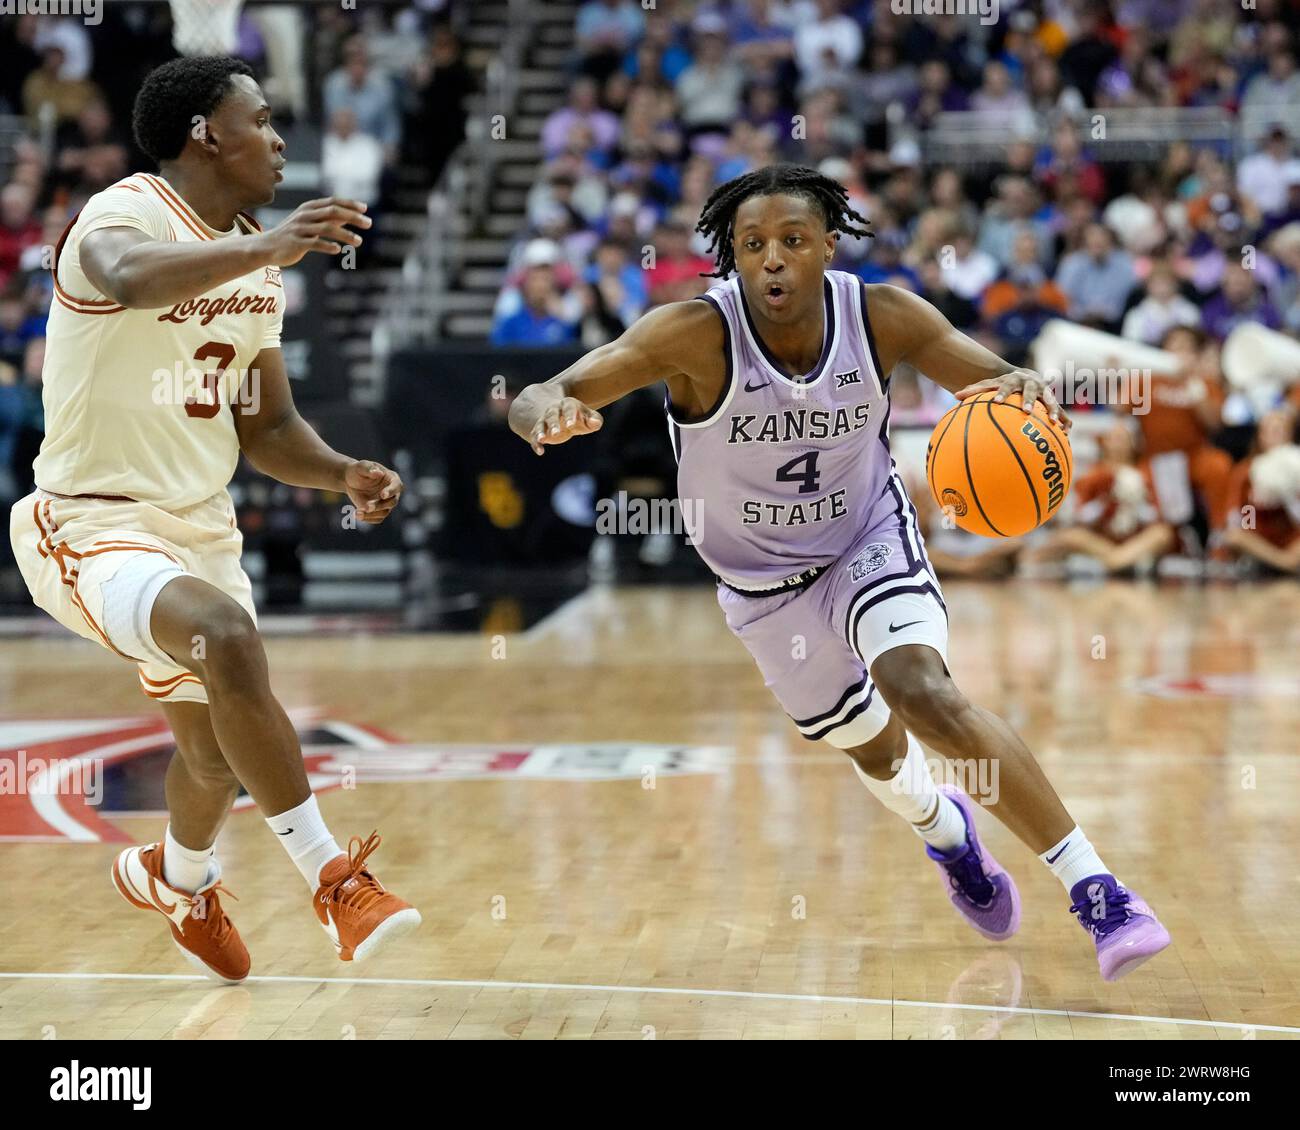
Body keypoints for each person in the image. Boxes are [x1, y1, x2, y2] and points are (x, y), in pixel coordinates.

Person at [508, 164, 1170, 982]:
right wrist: (546, 410)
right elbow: (548, 389)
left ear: (828, 245)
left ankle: (1100, 891)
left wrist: (1021, 385)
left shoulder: (882, 315)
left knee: (923, 690)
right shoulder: (690, 334)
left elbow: (992, 379)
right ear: (732, 258)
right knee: (878, 754)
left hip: (865, 537)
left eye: (792, 241)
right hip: (760, 590)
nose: (773, 260)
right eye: (753, 246)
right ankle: (947, 833)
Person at [7, 58, 420, 984]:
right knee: (227, 636)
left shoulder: (257, 271)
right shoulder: (125, 213)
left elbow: (266, 426)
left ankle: (179, 882)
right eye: (263, 120)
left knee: (212, 759)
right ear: (206, 133)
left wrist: (339, 471)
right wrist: (267, 248)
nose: (279, 140)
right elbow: (133, 278)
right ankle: (335, 884)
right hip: (89, 520)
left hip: (197, 529)